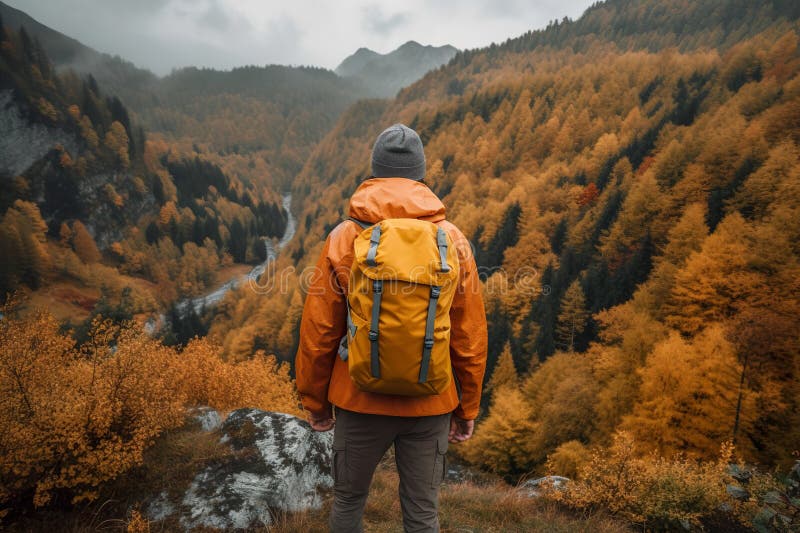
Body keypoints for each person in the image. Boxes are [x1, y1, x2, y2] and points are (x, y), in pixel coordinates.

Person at [295, 123, 488, 533]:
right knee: (421, 513)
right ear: (420, 174)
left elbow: (319, 331)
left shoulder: (346, 236)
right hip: (431, 402)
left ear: (375, 172)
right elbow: (469, 337)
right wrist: (467, 407)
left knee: (348, 501)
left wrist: (315, 401)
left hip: (358, 397)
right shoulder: (452, 240)